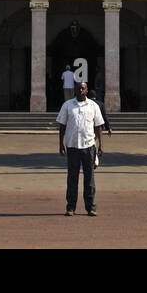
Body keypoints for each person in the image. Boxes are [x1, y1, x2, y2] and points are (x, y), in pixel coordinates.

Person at [56, 79, 104, 216]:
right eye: (78, 89)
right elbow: (62, 126)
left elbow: (98, 126)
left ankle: (91, 207)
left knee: (89, 178)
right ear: (75, 90)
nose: (81, 91)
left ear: (87, 90)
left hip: (89, 146)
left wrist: (100, 145)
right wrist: (61, 144)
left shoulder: (93, 106)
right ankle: (70, 207)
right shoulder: (67, 105)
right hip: (72, 146)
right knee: (72, 178)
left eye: (83, 88)